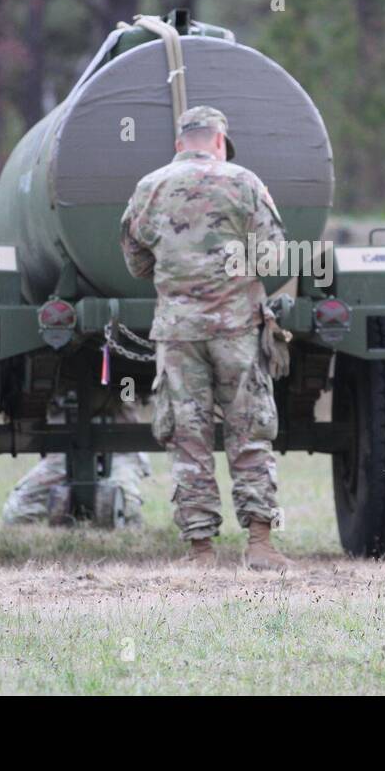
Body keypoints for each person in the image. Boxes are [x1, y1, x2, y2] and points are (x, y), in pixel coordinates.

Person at [119, 105, 291, 571]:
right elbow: (276, 259)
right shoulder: (245, 183)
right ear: (219, 140)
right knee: (251, 434)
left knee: (189, 439)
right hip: (236, 330)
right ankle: (259, 545)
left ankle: (200, 551)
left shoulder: (149, 187)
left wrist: (181, 276)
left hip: (178, 334)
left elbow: (135, 261)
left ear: (180, 143)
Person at [1, 399, 150, 527]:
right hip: (62, 455)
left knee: (127, 512)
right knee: (15, 513)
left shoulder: (125, 379)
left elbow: (136, 390)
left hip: (119, 450)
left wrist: (125, 385)